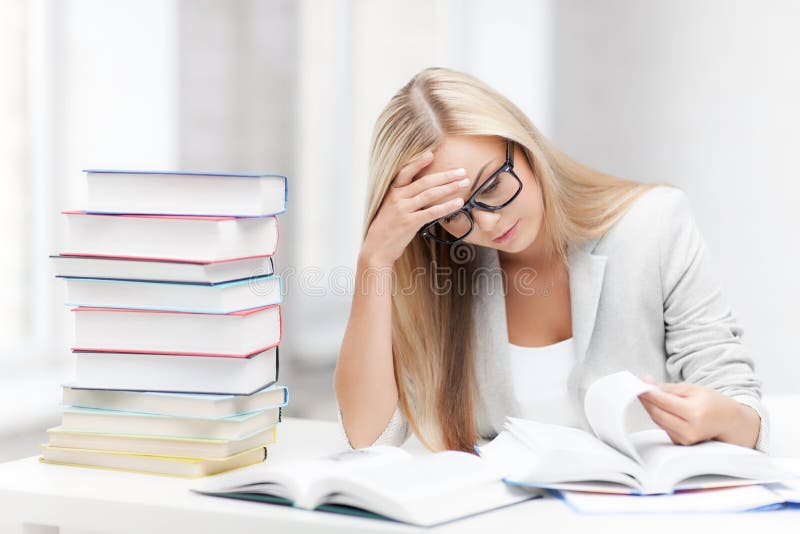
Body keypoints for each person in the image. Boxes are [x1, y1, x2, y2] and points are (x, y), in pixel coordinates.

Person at [334, 66, 766, 454]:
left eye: (491, 187)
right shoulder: (446, 269)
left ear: (524, 147)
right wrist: (375, 260)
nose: (487, 222)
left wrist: (722, 417)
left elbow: (743, 411)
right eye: (453, 214)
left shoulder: (654, 224)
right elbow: (370, 438)